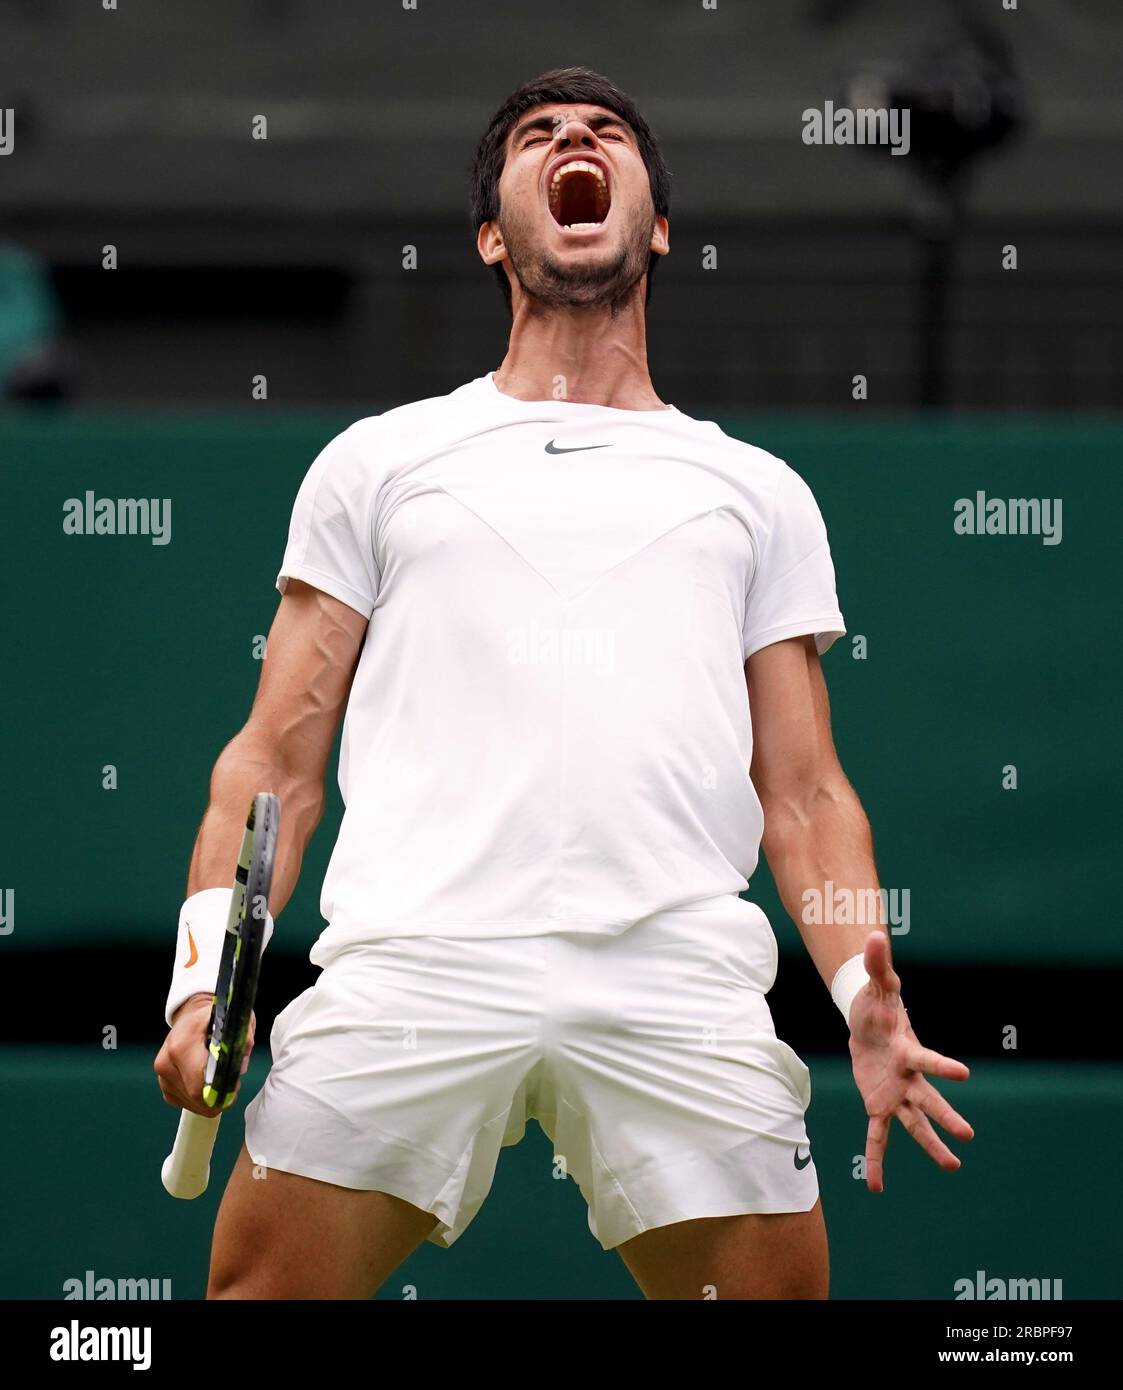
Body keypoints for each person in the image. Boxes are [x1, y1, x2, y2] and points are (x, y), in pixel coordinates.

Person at [154, 67, 972, 1300]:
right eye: (538, 137)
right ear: (495, 230)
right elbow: (274, 765)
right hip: (417, 962)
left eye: (603, 135)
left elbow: (804, 795)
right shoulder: (376, 462)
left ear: (654, 226)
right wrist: (203, 980)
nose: (572, 143)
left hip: (674, 970)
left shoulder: (755, 491)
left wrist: (863, 984)